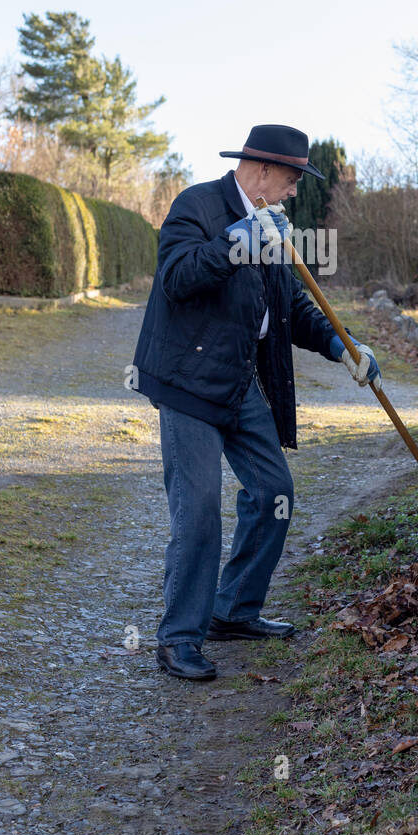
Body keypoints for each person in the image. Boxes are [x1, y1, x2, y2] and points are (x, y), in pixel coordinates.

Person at [131, 123, 382, 680]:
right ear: (263, 170)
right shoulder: (197, 205)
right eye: (293, 178)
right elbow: (177, 278)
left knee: (273, 493)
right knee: (198, 512)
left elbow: (294, 305)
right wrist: (239, 240)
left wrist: (344, 344)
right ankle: (178, 637)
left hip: (238, 381)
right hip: (187, 381)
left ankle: (234, 609)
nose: (296, 190)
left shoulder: (278, 226)